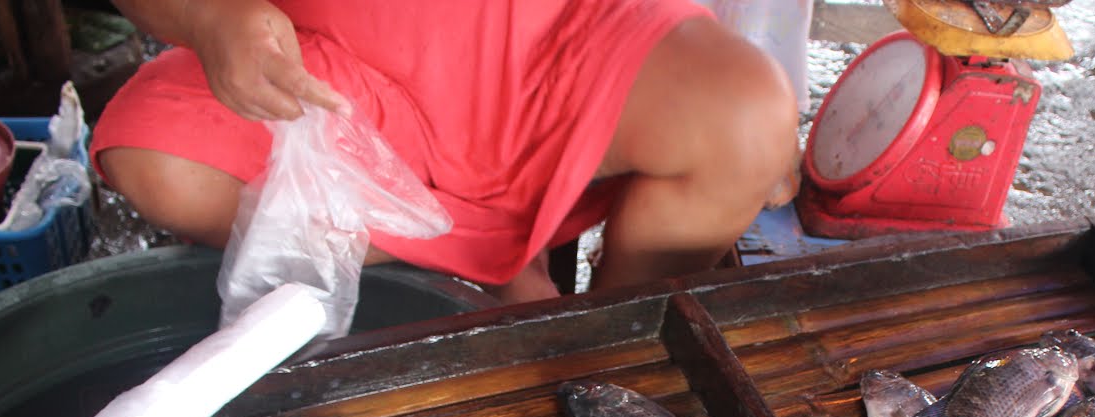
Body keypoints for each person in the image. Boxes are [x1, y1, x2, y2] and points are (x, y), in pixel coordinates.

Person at [93, 0, 802, 304]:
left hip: (566, 44)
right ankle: (493, 264)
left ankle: (608, 361)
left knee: (746, 119)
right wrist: (211, 19)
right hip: (354, 80)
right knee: (154, 160)